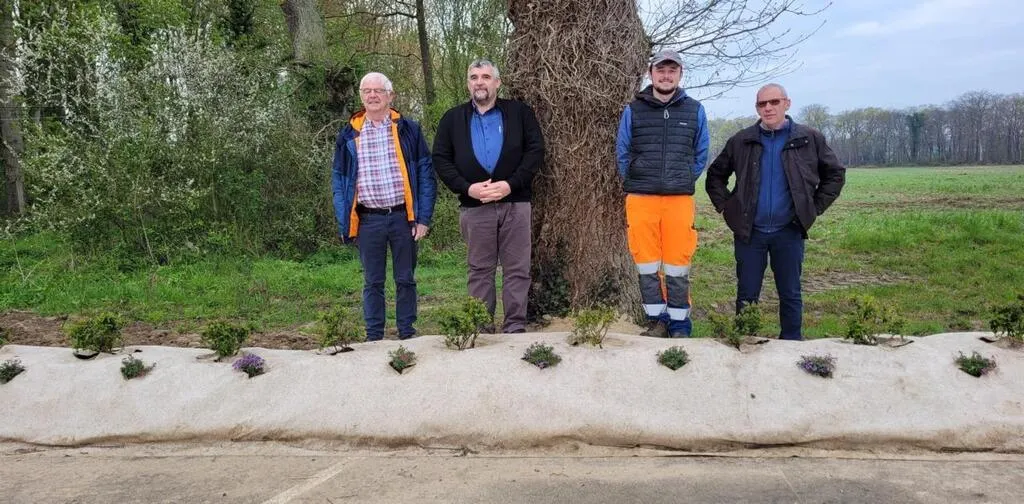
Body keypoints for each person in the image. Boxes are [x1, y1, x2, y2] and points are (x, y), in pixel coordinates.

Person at [705, 83, 846, 340]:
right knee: (747, 294)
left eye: (774, 102)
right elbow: (715, 176)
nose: (768, 108)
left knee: (790, 293)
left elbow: (835, 174)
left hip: (788, 230)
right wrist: (727, 208)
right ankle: (746, 342)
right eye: (762, 104)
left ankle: (792, 344)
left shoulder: (809, 139)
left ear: (787, 104)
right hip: (750, 232)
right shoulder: (742, 140)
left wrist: (812, 209)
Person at [432, 59, 545, 334]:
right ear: (468, 83)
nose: (479, 82)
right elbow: (441, 158)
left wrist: (511, 184)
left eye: (485, 76)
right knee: (480, 270)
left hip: (515, 203)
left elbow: (535, 151)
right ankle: (481, 328)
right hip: (475, 206)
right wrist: (466, 187)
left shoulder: (519, 113)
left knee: (517, 269)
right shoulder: (452, 118)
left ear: (497, 82)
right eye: (473, 77)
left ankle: (515, 327)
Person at [331, 72, 436, 341]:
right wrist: (346, 221)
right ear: (361, 96)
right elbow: (339, 181)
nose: (373, 95)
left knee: (405, 279)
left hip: (403, 217)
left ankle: (407, 333)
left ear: (391, 95)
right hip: (368, 220)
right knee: (372, 281)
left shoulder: (409, 130)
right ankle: (374, 336)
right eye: (367, 91)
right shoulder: (348, 135)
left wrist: (422, 218)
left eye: (378, 90)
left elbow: (425, 174)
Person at [616, 49, 709, 338]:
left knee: (677, 264)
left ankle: (680, 323)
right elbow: (622, 151)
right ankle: (656, 320)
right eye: (661, 70)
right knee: (646, 263)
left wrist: (681, 177)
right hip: (641, 198)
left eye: (672, 70)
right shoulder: (633, 109)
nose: (666, 75)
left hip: (679, 199)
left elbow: (701, 153)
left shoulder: (694, 110)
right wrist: (636, 175)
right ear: (650, 73)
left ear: (680, 74)